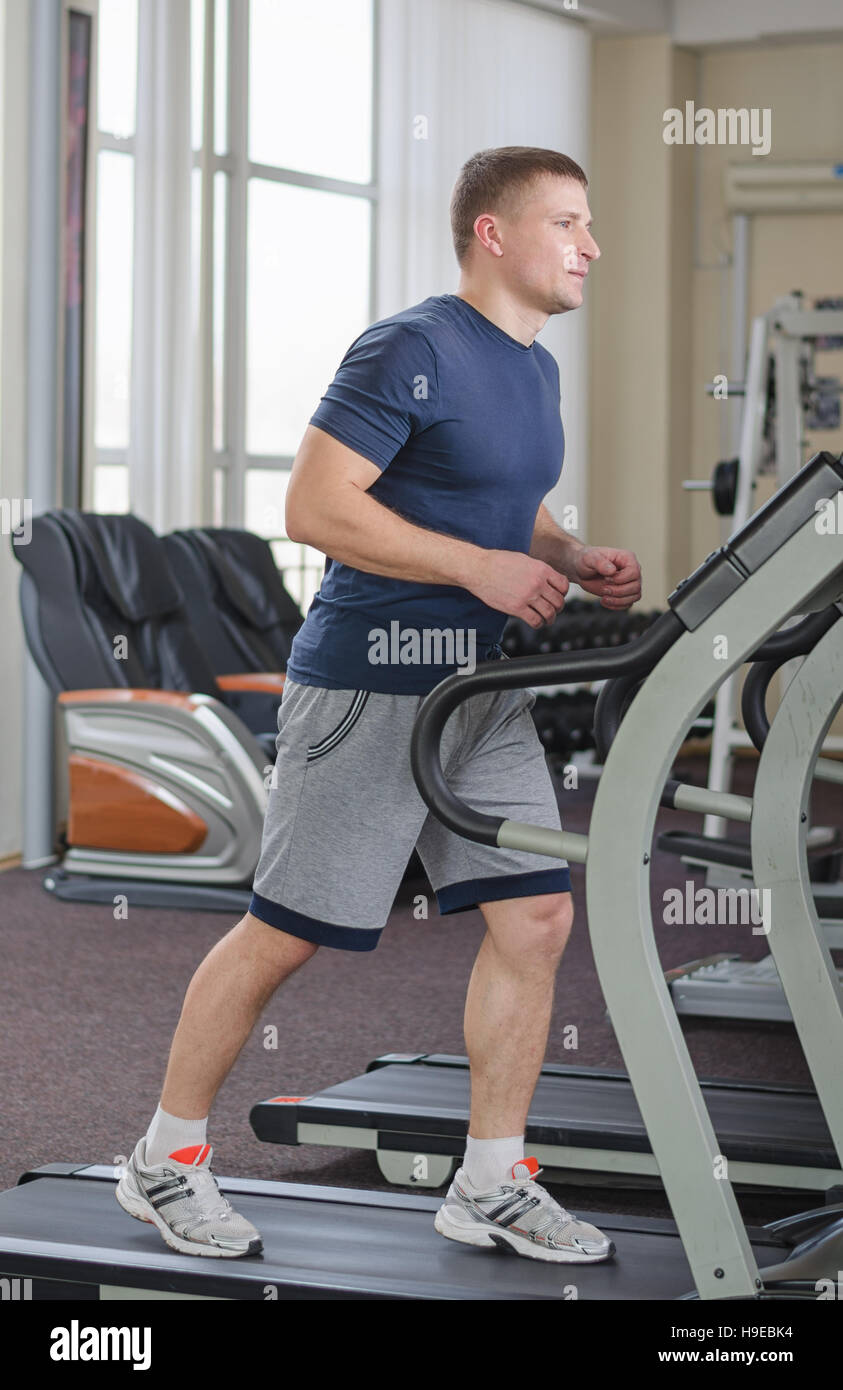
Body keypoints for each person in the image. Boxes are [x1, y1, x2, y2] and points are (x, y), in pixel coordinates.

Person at [116, 145, 642, 1264]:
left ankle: (491, 1178)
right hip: (368, 684)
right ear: (492, 234)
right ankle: (165, 1158)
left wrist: (566, 549)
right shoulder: (413, 346)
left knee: (537, 915)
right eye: (568, 223)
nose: (591, 246)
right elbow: (313, 503)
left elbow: (504, 494)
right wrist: (475, 569)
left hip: (474, 690)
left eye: (589, 225)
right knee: (288, 936)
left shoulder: (534, 366)